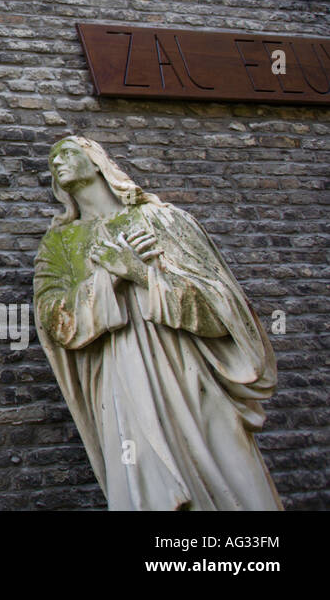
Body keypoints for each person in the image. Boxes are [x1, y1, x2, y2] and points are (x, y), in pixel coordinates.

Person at [34, 135, 282, 510]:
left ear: (97, 160)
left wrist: (141, 273)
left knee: (228, 469)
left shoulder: (162, 219)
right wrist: (108, 279)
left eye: (67, 152)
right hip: (120, 376)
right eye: (52, 160)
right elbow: (54, 319)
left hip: (186, 368)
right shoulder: (59, 244)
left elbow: (225, 309)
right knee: (145, 477)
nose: (57, 162)